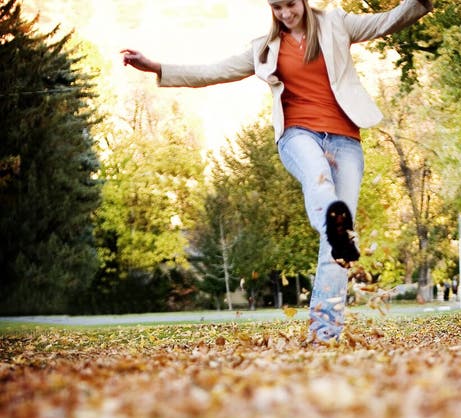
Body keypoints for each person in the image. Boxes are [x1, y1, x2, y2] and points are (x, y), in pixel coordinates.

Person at [122, 0, 433, 342]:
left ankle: (325, 332)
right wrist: (156, 67)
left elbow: (385, 22)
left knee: (335, 247)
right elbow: (214, 70)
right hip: (298, 135)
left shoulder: (336, 24)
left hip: (345, 140)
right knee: (320, 182)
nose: (285, 14)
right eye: (277, 7)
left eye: (289, 5)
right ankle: (334, 223)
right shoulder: (266, 48)